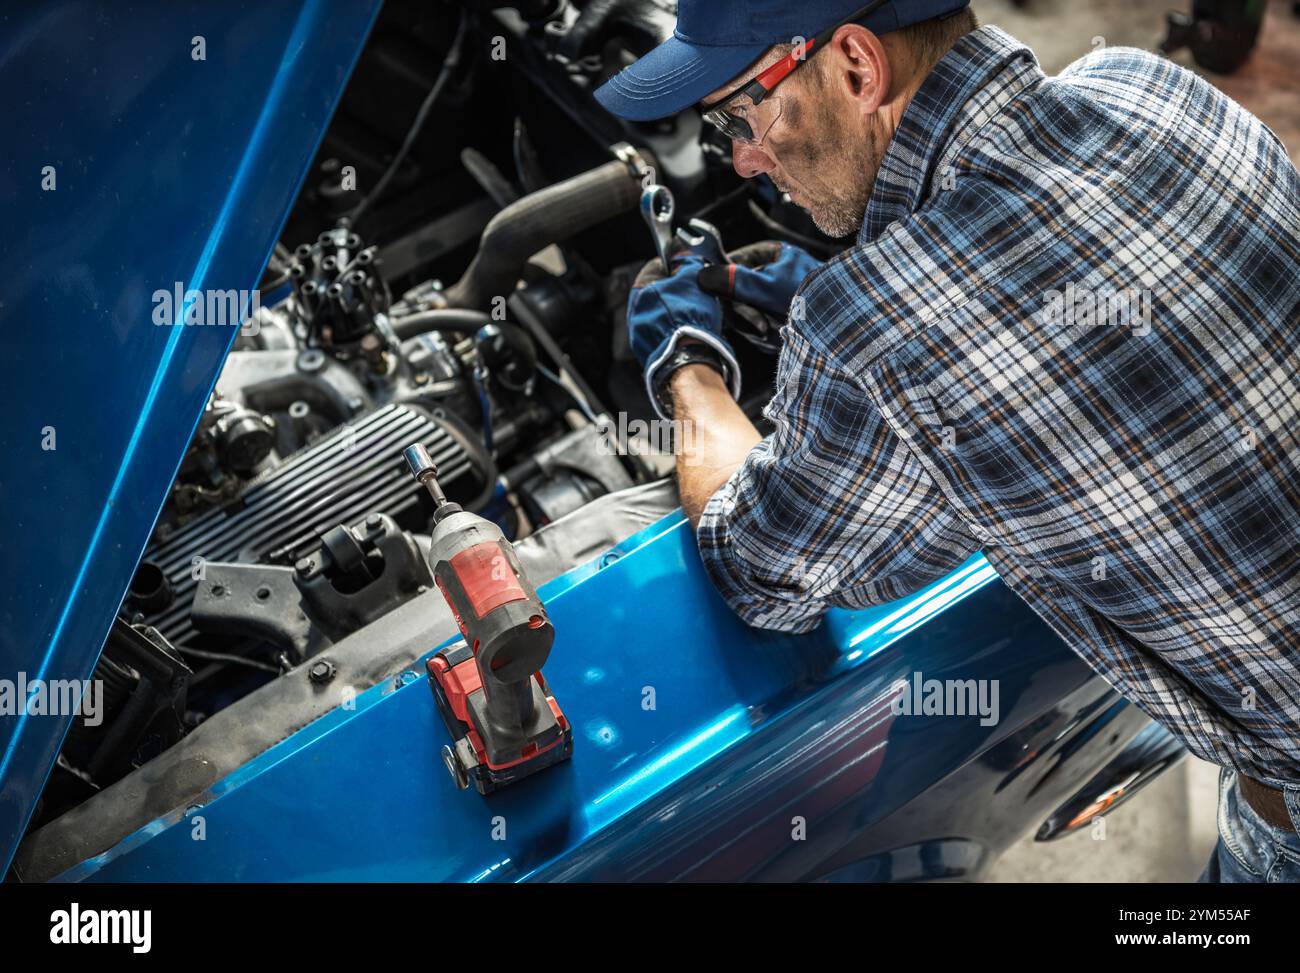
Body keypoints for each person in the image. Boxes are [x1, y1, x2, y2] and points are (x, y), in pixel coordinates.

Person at [595, 0, 1300, 880]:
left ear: (858, 67)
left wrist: (690, 364)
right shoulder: (1149, 85)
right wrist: (862, 288)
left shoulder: (870, 332)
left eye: (744, 114)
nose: (743, 157)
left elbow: (758, 573)